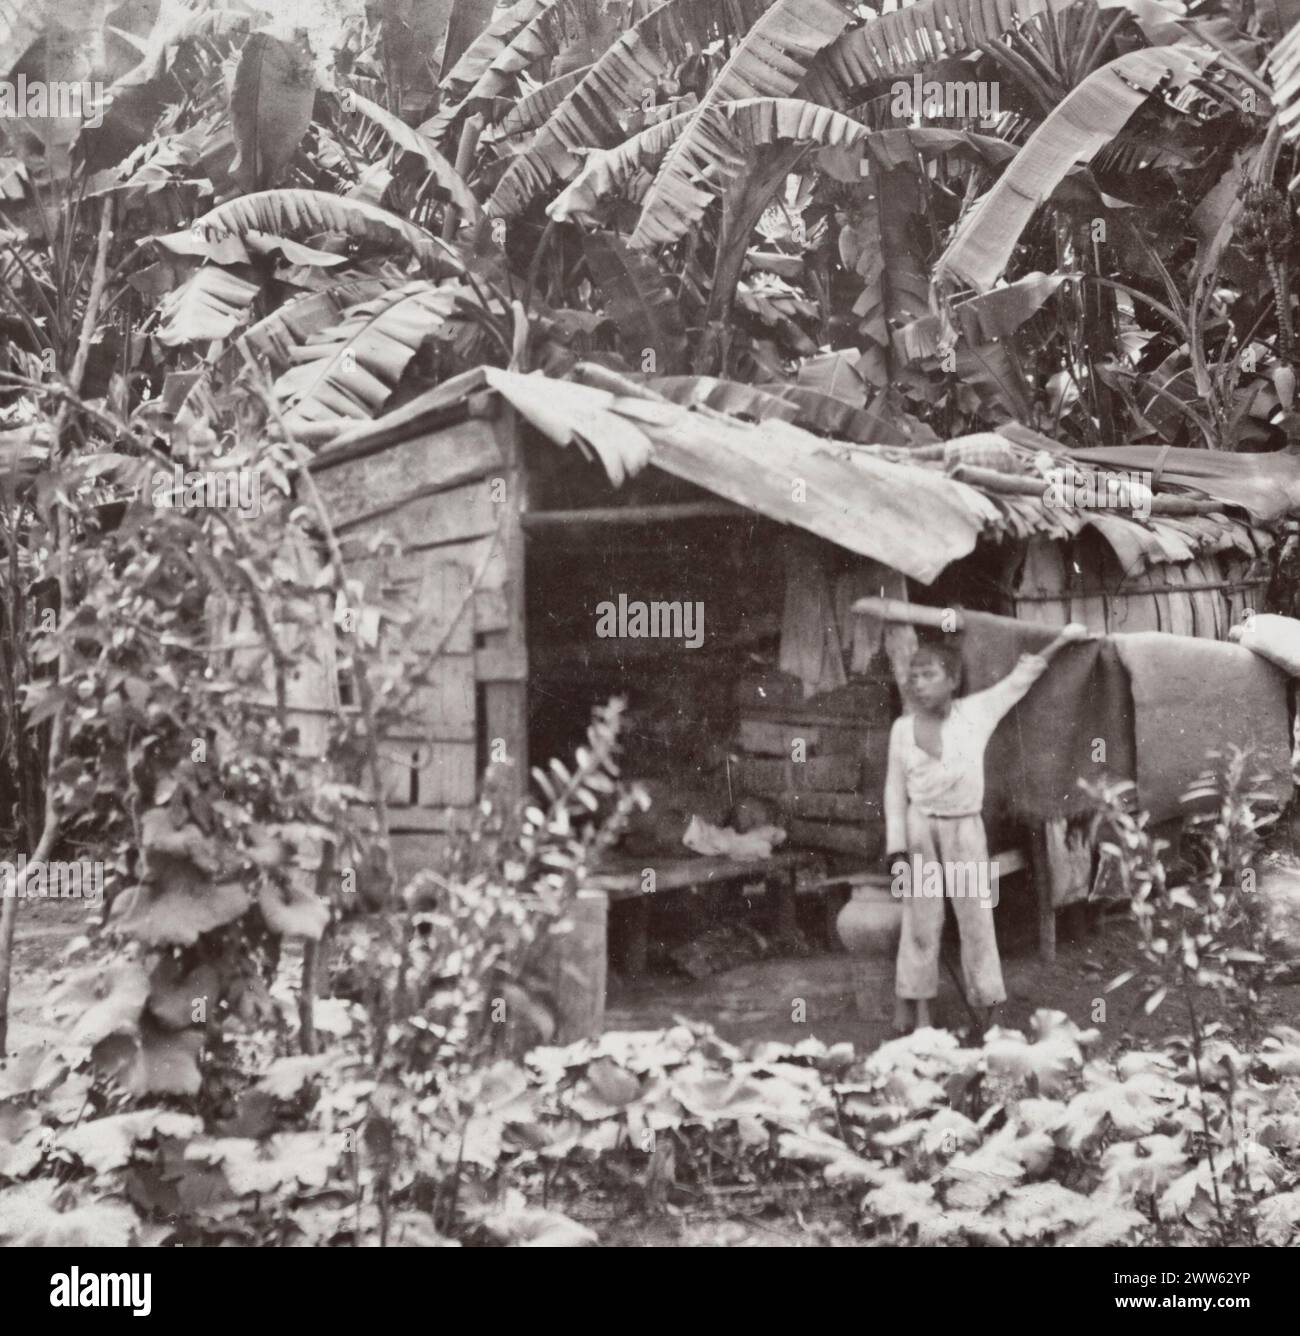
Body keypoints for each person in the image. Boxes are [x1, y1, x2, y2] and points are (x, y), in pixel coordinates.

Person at [882, 623, 1088, 1035]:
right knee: (921, 923)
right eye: (914, 677)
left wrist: (1063, 640)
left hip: (964, 831)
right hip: (922, 831)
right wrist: (897, 847)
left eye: (930, 676)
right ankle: (921, 1016)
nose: (919, 685)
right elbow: (893, 790)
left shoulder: (976, 712)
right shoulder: (903, 730)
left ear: (953, 681)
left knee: (975, 920)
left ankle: (986, 1011)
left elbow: (1022, 678)